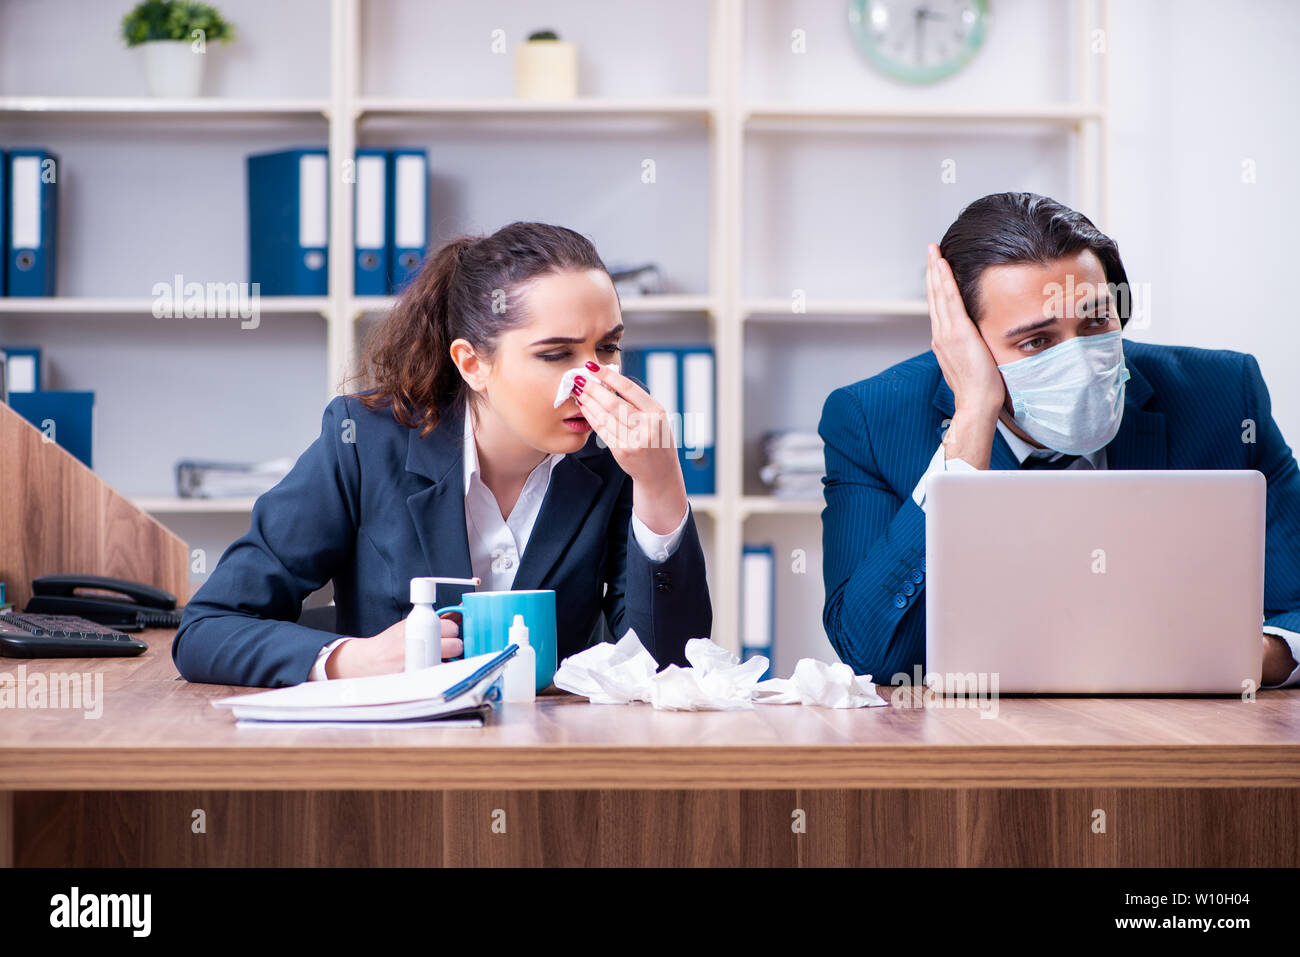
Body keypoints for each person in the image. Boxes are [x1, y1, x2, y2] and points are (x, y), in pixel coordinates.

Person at [174, 222, 711, 687]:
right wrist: (350, 660)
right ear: (473, 363)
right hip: (395, 767)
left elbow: (669, 665)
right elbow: (209, 628)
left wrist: (660, 486)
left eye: (608, 348)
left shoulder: (614, 463)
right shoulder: (363, 442)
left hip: (550, 768)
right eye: (557, 354)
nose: (593, 377)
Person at [819, 191, 1300, 688]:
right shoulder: (872, 419)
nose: (1081, 359)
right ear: (965, 343)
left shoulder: (1222, 395)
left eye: (1096, 321)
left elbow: (1297, 608)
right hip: (979, 743)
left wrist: (1219, 658)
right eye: (1037, 341)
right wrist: (971, 425)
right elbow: (872, 651)